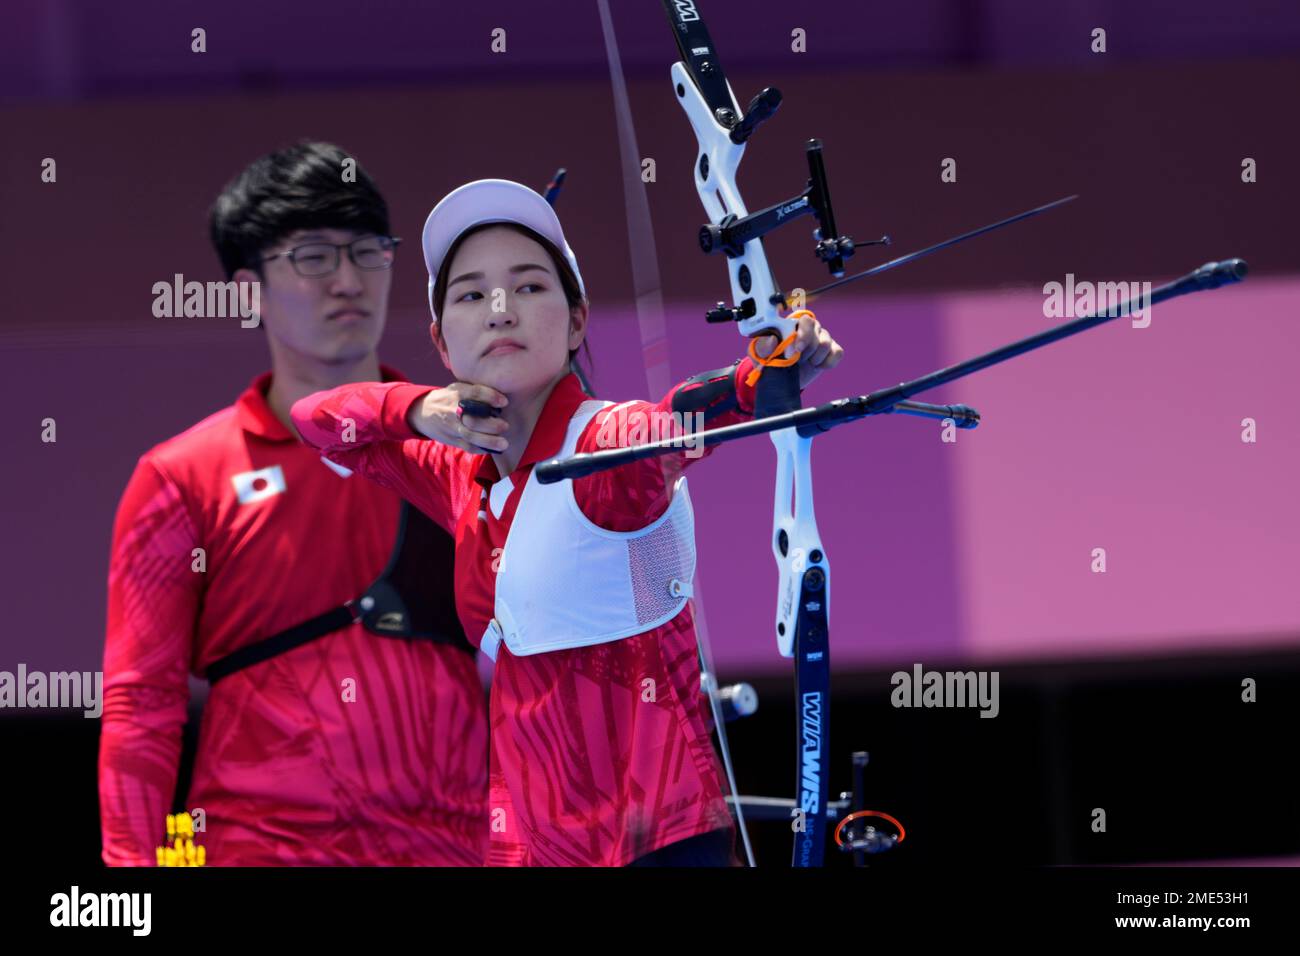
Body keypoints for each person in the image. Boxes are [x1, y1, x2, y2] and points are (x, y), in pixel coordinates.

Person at [290, 178, 844, 866]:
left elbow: (678, 419)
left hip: (654, 843)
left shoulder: (610, 445)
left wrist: (759, 376)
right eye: (470, 295)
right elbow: (319, 421)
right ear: (440, 340)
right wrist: (419, 409)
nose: (499, 310)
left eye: (528, 288)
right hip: (528, 847)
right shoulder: (456, 471)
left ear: (577, 320)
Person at [99, 142, 490, 866]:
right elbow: (141, 704)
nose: (348, 279)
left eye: (369, 250)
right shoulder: (180, 476)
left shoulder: (468, 451)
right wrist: (131, 891)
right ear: (248, 290)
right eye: (313, 256)